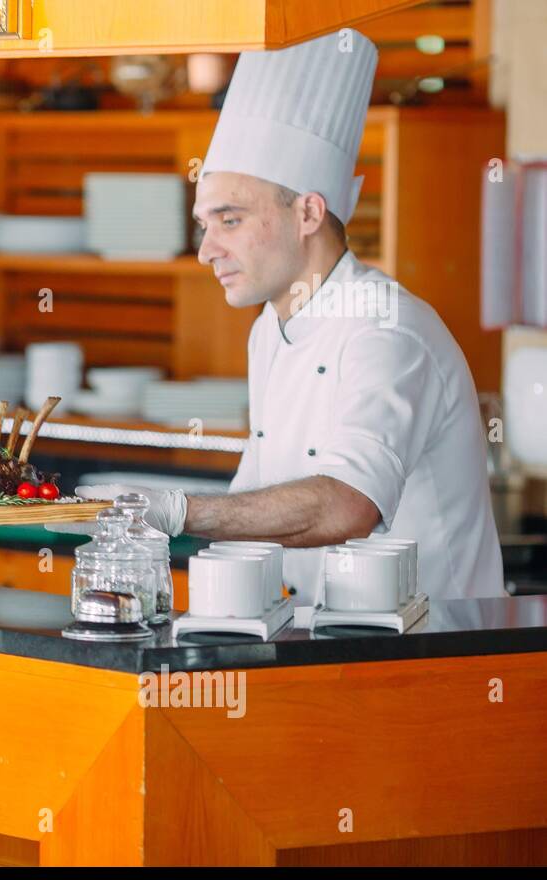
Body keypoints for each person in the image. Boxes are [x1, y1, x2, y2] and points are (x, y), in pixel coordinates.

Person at [62, 29, 503, 605]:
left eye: (230, 220)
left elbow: (347, 505)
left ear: (309, 213)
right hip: (327, 637)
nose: (206, 250)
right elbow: (260, 498)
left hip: (434, 644)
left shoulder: (386, 330)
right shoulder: (269, 330)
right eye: (204, 225)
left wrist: (177, 511)